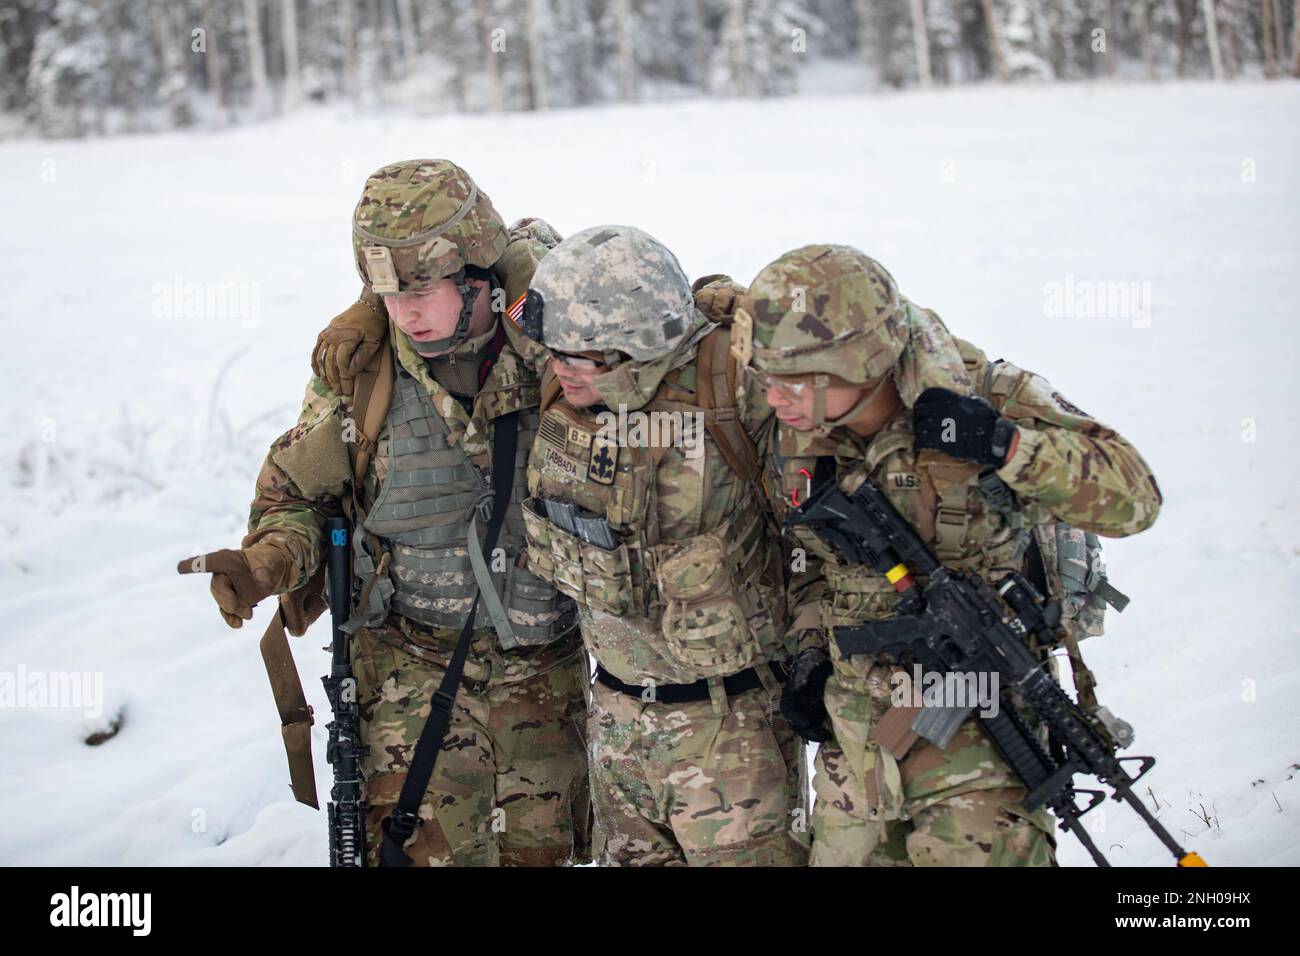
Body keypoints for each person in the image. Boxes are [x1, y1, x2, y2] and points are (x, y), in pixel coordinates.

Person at [180, 159, 591, 867]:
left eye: (421, 290)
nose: (404, 311)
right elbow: (300, 496)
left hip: (548, 676)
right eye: (385, 293)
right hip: (412, 676)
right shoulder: (361, 372)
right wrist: (268, 560)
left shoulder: (560, 341)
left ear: (478, 274)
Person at [733, 243, 1162, 866]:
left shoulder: (983, 393)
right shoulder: (797, 428)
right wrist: (808, 651)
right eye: (766, 380)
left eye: (793, 382)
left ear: (861, 361)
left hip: (981, 721)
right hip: (859, 738)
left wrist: (1007, 446)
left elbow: (1134, 497)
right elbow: (807, 559)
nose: (775, 400)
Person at [519, 224, 809, 866]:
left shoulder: (734, 393)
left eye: (582, 354)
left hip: (731, 738)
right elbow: (471, 269)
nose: (560, 365)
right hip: (616, 721)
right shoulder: (562, 395)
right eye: (554, 350)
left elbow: (818, 546)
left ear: (637, 345)